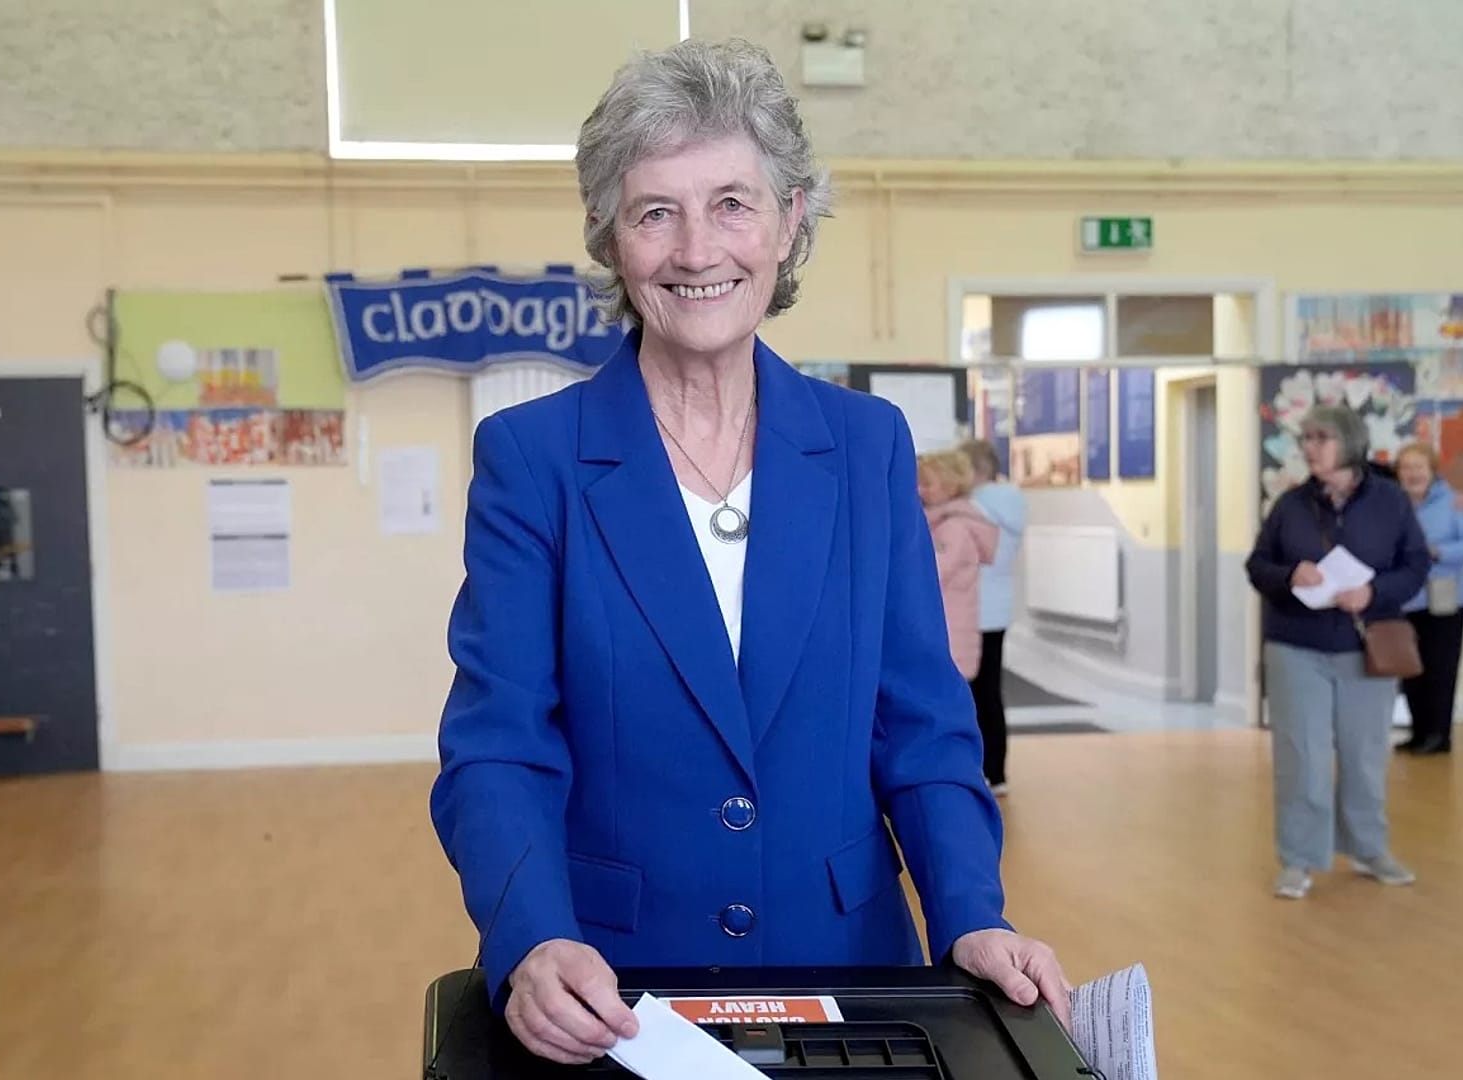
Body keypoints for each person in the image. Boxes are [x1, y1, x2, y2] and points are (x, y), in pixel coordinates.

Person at [430, 39, 1071, 1066]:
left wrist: (970, 914)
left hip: (857, 973)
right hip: (621, 991)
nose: (696, 250)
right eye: (654, 212)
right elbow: (500, 742)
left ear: (790, 220)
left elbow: (922, 724)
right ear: (610, 237)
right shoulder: (534, 460)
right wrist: (532, 934)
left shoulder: (866, 449)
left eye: (732, 202)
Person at [1245, 405, 1430, 900]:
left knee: (1365, 754)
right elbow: (1257, 565)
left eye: (1320, 438)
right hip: (1294, 646)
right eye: (1305, 438)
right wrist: (1289, 575)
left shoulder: (1390, 502)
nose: (1309, 447)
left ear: (1348, 443)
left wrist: (1373, 592)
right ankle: (1298, 859)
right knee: (1301, 755)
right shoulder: (1290, 505)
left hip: (1363, 647)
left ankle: (1369, 849)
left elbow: (1415, 567)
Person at [1393, 442, 1463, 755]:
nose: (1413, 474)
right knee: (1411, 669)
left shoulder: (1452, 503)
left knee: (1440, 669)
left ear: (1432, 471)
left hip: (1445, 598)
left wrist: (1438, 552)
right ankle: (1419, 732)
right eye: (1406, 468)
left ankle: (1439, 735)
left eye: (1419, 467)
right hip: (1406, 599)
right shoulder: (1393, 505)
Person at [959, 438, 1026, 794]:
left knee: (967, 695)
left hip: (968, 611)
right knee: (991, 693)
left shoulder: (970, 509)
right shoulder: (1014, 502)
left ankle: (971, 770)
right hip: (998, 610)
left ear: (976, 470)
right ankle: (996, 771)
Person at [917, 448, 1001, 730]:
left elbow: (931, 575)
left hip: (950, 639)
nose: (919, 490)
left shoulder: (953, 530)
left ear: (951, 486)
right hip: (947, 636)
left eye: (927, 483)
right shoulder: (941, 525)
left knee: (945, 719)